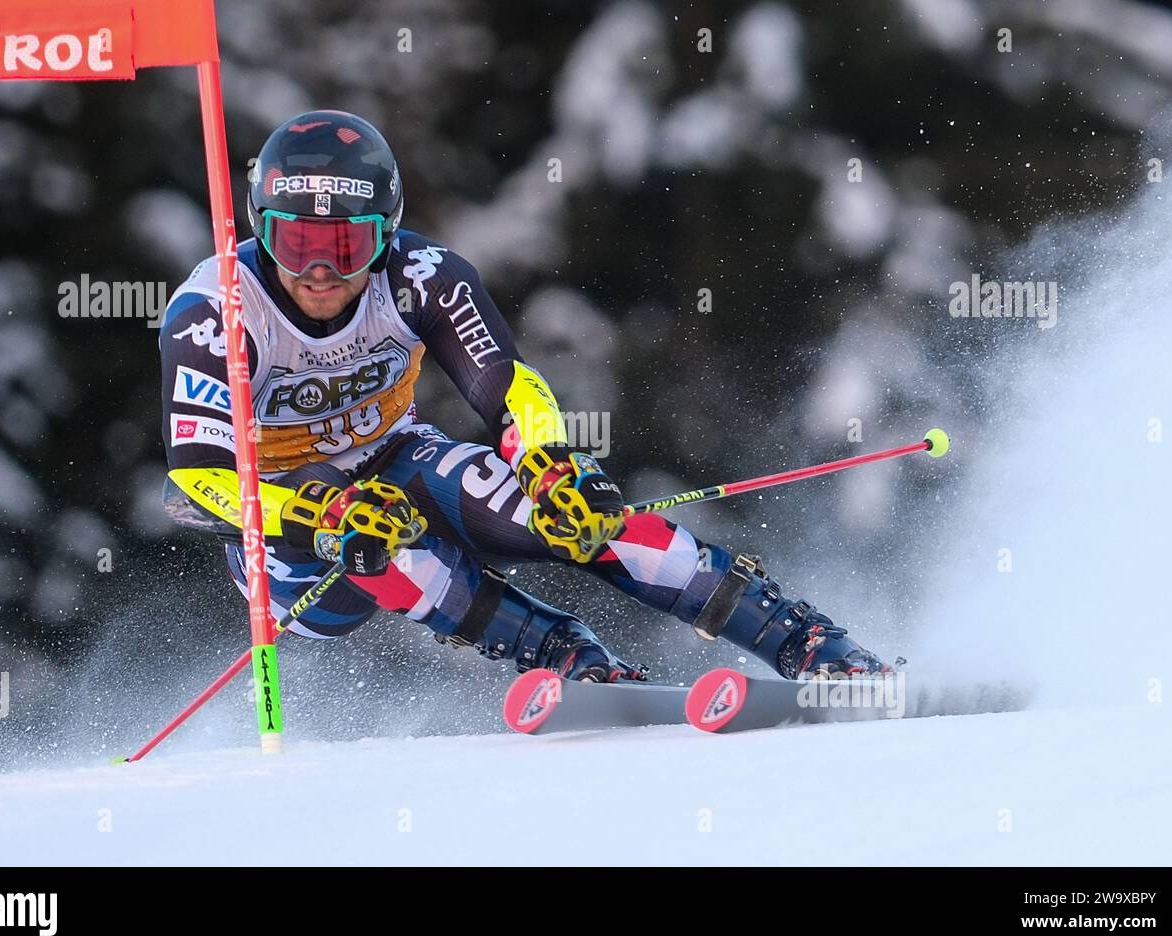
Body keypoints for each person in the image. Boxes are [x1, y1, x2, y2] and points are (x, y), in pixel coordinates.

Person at [157, 109, 890, 682]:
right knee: (397, 553)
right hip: (287, 528)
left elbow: (507, 385)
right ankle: (557, 649)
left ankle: (804, 642)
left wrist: (546, 459)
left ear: (385, 235)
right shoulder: (215, 311)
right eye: (296, 243)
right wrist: (315, 513)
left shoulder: (424, 276)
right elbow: (198, 482)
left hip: (393, 455)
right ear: (260, 229)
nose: (320, 271)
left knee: (569, 515)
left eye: (345, 246)